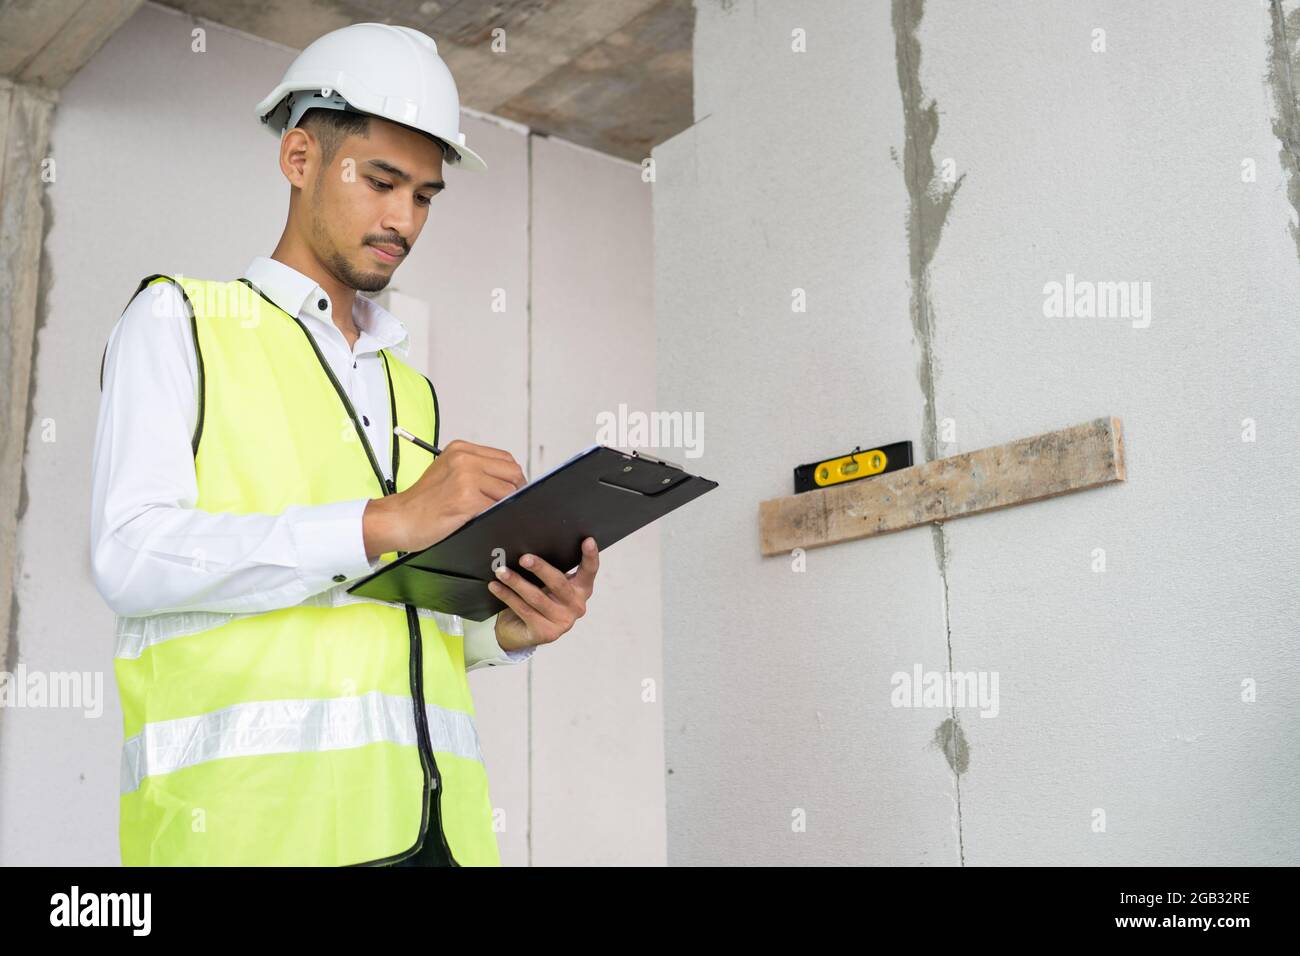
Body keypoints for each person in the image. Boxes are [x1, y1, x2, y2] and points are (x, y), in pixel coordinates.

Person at [90, 22, 600, 866]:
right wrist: (378, 521)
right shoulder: (180, 321)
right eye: (382, 180)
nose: (402, 219)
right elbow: (128, 556)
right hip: (256, 835)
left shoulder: (408, 389)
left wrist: (504, 630)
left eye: (426, 195)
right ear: (300, 159)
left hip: (438, 836)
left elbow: (385, 617)